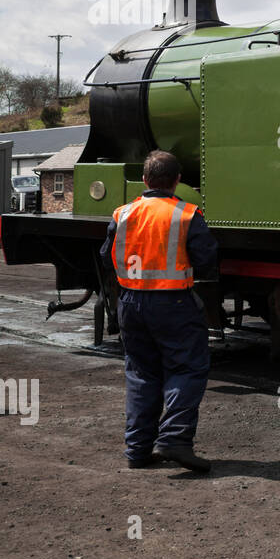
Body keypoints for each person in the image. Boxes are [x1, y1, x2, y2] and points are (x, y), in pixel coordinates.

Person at [99, 150, 218, 471]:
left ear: (144, 180)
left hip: (131, 303)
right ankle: (175, 439)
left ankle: (137, 451)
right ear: (177, 181)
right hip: (173, 304)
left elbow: (106, 256)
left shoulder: (122, 214)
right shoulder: (186, 214)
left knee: (141, 375)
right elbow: (206, 260)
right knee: (187, 368)